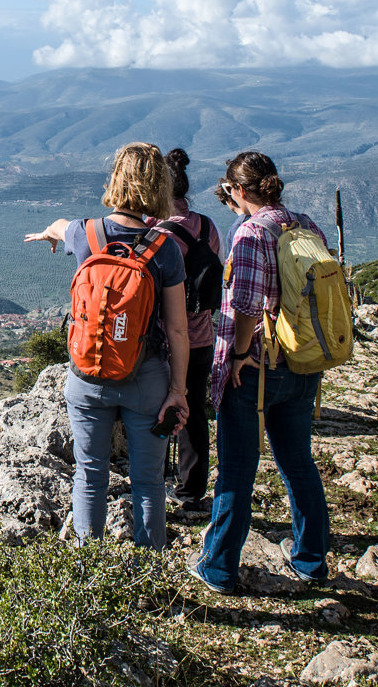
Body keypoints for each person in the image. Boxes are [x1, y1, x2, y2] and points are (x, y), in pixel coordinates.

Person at [25, 142, 189, 551]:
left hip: (87, 376)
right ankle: (147, 578)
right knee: (148, 482)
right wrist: (179, 392)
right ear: (159, 187)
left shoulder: (87, 233)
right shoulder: (165, 248)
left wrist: (49, 231)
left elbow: (62, 225)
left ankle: (88, 576)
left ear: (116, 179)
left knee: (90, 473)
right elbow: (178, 330)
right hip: (146, 377)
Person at [188, 150, 331, 593]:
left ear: (240, 190)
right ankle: (310, 559)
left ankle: (219, 567)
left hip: (256, 369)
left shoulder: (250, 234)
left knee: (236, 468)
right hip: (303, 362)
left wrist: (237, 356)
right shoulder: (305, 223)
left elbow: (247, 306)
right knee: (298, 463)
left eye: (230, 190)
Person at [148, 148, 221, 511]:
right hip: (204, 337)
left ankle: (154, 483)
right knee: (194, 414)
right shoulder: (208, 226)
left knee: (158, 411)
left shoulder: (158, 238)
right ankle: (192, 493)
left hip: (167, 340)